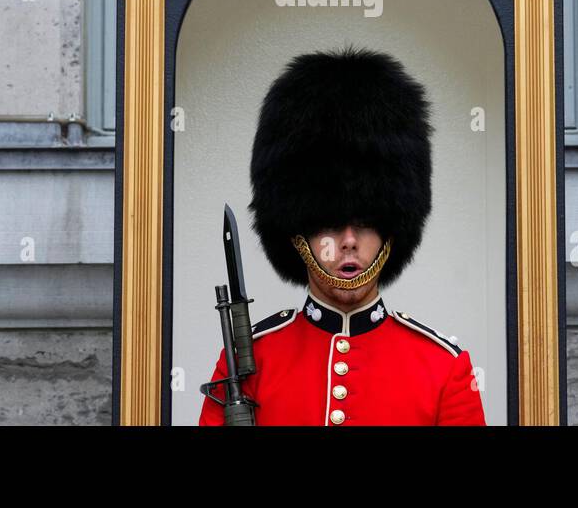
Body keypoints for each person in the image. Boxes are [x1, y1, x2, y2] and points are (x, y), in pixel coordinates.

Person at [199, 46, 486, 426]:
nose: (348, 240)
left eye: (365, 223)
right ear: (296, 233)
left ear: (392, 231)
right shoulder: (249, 361)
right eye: (329, 224)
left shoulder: (444, 367)